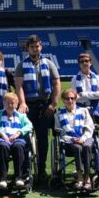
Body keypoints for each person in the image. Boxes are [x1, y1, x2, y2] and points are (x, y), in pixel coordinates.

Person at [14, 34, 61, 180]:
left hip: (45, 106)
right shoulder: (21, 65)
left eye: (37, 46)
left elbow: (56, 83)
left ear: (41, 47)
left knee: (43, 140)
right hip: (28, 107)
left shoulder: (49, 63)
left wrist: (53, 104)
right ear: (28, 48)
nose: (35, 49)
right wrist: (22, 103)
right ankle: (26, 170)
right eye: (32, 47)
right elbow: (19, 86)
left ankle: (41, 170)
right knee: (25, 138)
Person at [0, 92, 33, 190]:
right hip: (3, 140)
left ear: (16, 104)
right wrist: (0, 133)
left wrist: (19, 133)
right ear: (4, 103)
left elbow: (29, 126)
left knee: (18, 146)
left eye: (12, 103)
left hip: (17, 139)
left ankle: (18, 177)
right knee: (2, 146)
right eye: (8, 103)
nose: (10, 105)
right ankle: (3, 178)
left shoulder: (21, 116)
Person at [55, 89, 96, 190]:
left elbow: (90, 127)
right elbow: (59, 130)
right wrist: (73, 139)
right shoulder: (59, 114)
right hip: (69, 141)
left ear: (75, 99)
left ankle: (87, 178)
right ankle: (80, 177)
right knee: (77, 147)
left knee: (86, 146)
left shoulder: (84, 111)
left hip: (85, 138)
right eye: (67, 98)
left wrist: (83, 138)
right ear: (63, 100)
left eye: (72, 98)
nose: (70, 100)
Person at [71, 52, 99, 126]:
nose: (84, 63)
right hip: (79, 110)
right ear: (79, 64)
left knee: (94, 133)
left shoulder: (97, 78)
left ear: (90, 63)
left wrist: (83, 94)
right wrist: (92, 96)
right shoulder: (74, 79)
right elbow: (75, 97)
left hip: (94, 110)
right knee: (81, 133)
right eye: (81, 61)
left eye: (86, 61)